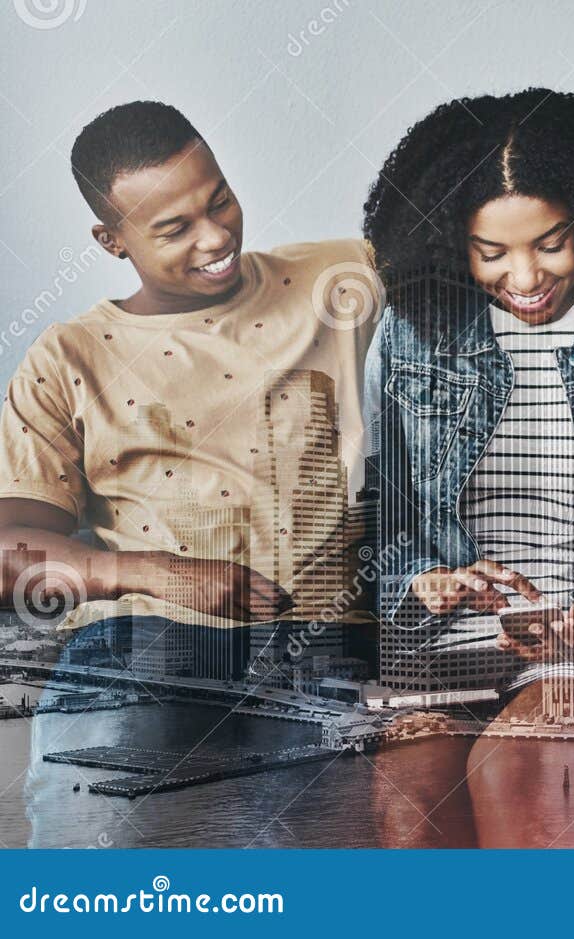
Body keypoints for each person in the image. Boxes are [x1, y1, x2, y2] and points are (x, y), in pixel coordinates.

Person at [1, 101, 379, 845]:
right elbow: (13, 546)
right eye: (174, 229)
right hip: (139, 640)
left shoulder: (340, 277)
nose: (215, 238)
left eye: (220, 201)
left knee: (319, 871)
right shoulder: (68, 355)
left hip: (322, 642)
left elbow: (508, 246)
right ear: (111, 241)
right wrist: (161, 573)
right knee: (95, 845)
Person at [362, 89, 574, 844]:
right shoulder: (410, 336)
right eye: (491, 252)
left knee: (518, 767)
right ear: (449, 241)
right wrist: (421, 580)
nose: (525, 274)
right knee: (409, 812)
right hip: (443, 649)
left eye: (551, 242)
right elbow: (387, 521)